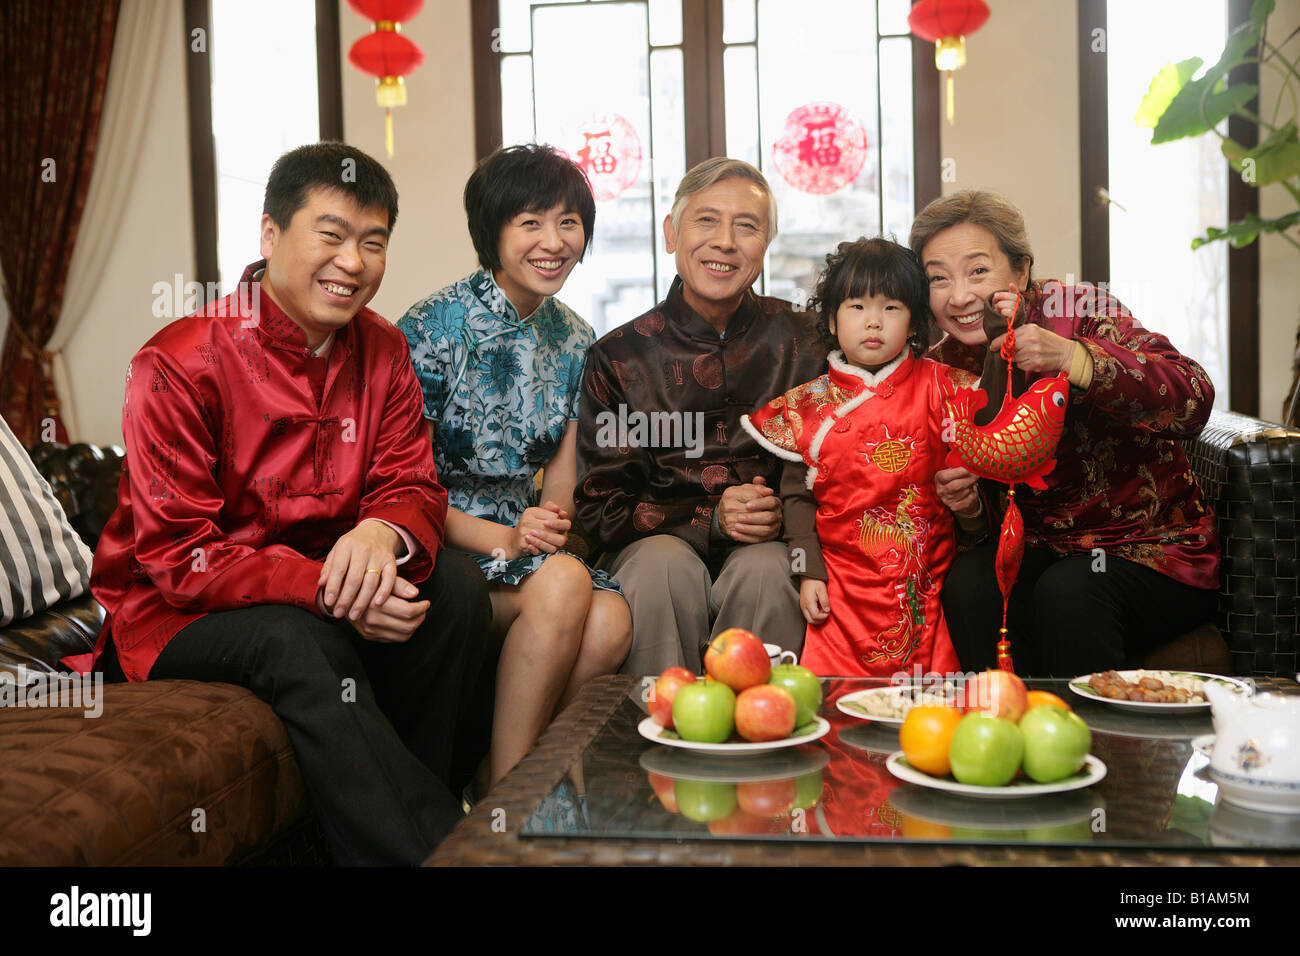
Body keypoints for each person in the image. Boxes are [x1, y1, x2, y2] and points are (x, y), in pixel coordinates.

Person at [68, 143, 495, 865]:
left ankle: (411, 811)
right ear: (270, 235)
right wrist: (329, 586)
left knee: (454, 589)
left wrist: (378, 536)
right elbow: (179, 557)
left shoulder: (384, 351)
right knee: (298, 639)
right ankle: (439, 855)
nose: (352, 262)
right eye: (330, 236)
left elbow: (412, 484)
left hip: (316, 583)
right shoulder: (178, 361)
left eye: (372, 242)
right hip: (177, 612)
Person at [396, 145, 630, 790]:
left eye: (569, 223)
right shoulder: (431, 328)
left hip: (525, 546)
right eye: (530, 222)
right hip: (437, 541)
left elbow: (562, 468)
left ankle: (505, 778)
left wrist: (549, 525)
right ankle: (511, 796)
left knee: (612, 620)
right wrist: (504, 537)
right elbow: (399, 484)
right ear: (491, 231)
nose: (553, 242)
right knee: (562, 586)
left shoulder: (578, 338)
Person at [911, 189, 1219, 676]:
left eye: (978, 270)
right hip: (1039, 551)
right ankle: (1003, 726)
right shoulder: (942, 367)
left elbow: (1193, 398)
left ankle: (1091, 745)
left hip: (1147, 549)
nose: (960, 296)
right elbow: (985, 519)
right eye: (938, 279)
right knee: (969, 582)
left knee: (1069, 590)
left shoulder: (1079, 309)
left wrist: (1074, 358)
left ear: (1022, 270)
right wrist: (970, 511)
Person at [575, 158, 826, 675]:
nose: (725, 242)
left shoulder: (808, 342)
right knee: (661, 566)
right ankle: (656, 736)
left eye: (747, 226)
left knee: (768, 570)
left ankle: (761, 741)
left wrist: (778, 516)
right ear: (671, 233)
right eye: (706, 220)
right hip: (657, 552)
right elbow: (602, 507)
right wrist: (710, 520)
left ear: (765, 245)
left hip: (771, 547)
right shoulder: (620, 356)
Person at [743, 238, 975, 677]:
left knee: (928, 716)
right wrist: (807, 572)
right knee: (838, 706)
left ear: (913, 323)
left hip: (927, 580)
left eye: (891, 309)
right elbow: (797, 499)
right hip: (842, 585)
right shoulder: (806, 406)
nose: (873, 322)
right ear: (831, 319)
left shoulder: (944, 388)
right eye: (857, 307)